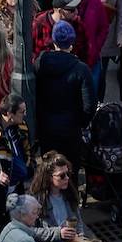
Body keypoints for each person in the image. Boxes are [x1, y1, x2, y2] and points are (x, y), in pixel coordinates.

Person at [37, 19, 99, 172]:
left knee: (49, 170)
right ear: (71, 43)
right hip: (70, 129)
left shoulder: (40, 63)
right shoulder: (81, 69)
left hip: (46, 127)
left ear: (54, 41)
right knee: (70, 171)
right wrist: (80, 122)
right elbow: (90, 105)